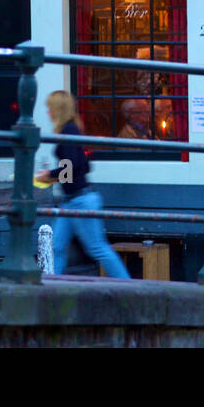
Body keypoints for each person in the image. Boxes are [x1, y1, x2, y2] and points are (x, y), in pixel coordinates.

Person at [37, 90, 130, 279]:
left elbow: (71, 167)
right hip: (73, 200)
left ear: (58, 109)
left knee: (97, 247)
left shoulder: (68, 131)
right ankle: (53, 286)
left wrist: (49, 175)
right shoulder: (73, 130)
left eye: (49, 107)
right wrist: (56, 175)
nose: (47, 112)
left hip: (79, 201)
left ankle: (129, 285)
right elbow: (85, 165)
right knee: (56, 247)